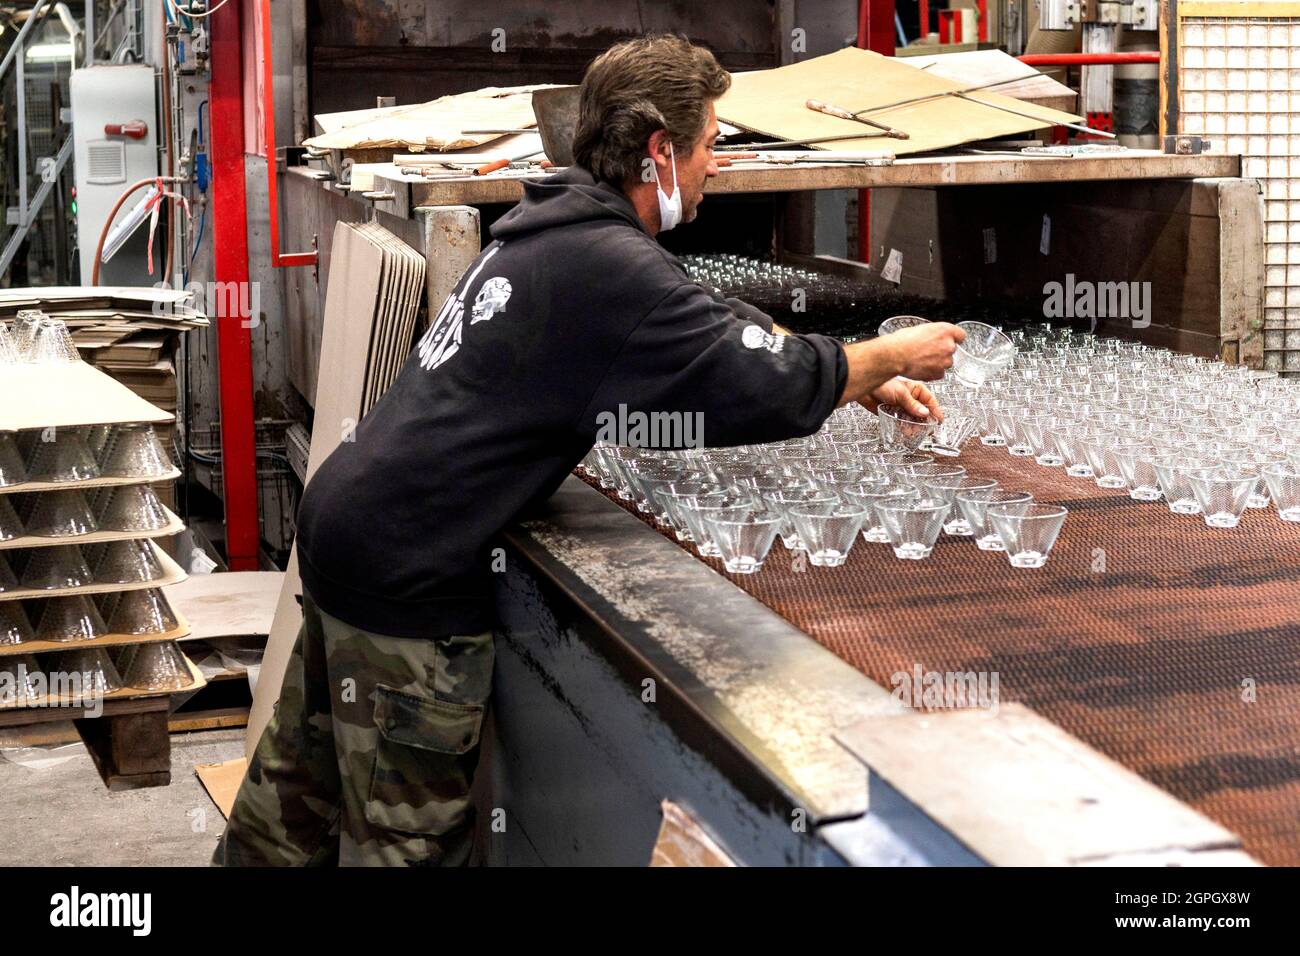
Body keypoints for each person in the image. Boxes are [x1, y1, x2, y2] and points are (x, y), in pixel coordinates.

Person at [213, 35, 964, 867]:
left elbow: (708, 317)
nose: (718, 164)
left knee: (290, 812)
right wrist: (891, 355)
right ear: (660, 153)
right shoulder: (605, 264)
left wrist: (855, 379)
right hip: (407, 573)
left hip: (349, 526)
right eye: (712, 143)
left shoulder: (549, 229)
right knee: (408, 844)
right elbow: (765, 386)